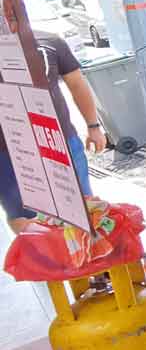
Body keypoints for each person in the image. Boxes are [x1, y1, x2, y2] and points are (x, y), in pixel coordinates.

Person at [0, 31, 106, 230]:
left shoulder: (49, 41)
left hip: (60, 142)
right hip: (8, 152)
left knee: (82, 208)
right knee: (24, 217)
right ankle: (44, 258)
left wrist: (93, 126)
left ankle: (85, 256)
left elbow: (76, 83)